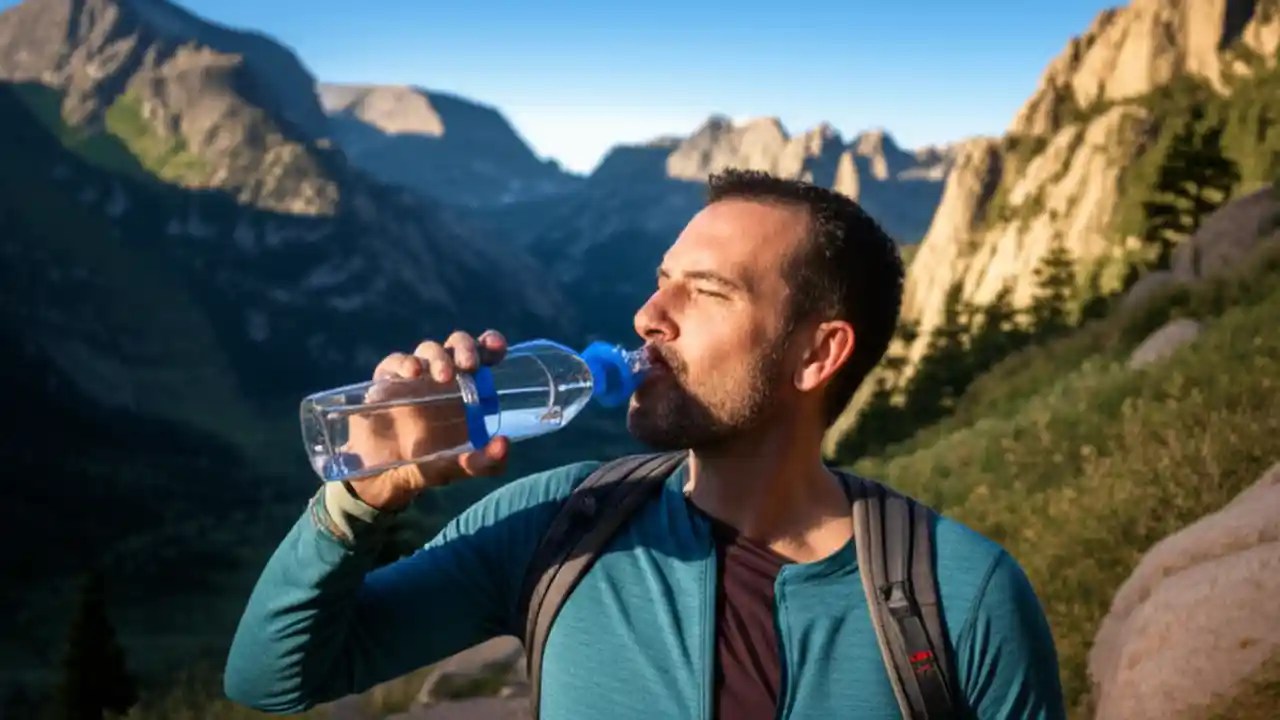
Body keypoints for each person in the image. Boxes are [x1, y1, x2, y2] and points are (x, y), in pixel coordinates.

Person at [223, 169, 1067, 719]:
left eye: (704, 292)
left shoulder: (959, 595)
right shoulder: (559, 524)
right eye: (661, 279)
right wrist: (366, 491)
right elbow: (271, 679)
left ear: (818, 353)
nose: (648, 316)